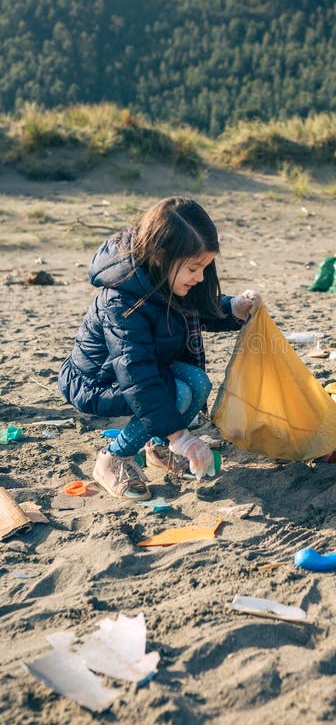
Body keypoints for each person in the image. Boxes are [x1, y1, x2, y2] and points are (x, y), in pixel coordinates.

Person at [58, 196, 260, 500]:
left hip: (142, 373)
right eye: (194, 268)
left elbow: (197, 309)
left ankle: (157, 447)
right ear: (160, 256)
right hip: (97, 382)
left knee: (197, 382)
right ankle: (113, 459)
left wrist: (233, 307)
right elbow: (137, 378)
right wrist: (181, 436)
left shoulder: (166, 279)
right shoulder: (122, 301)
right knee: (176, 394)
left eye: (205, 267)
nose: (201, 277)